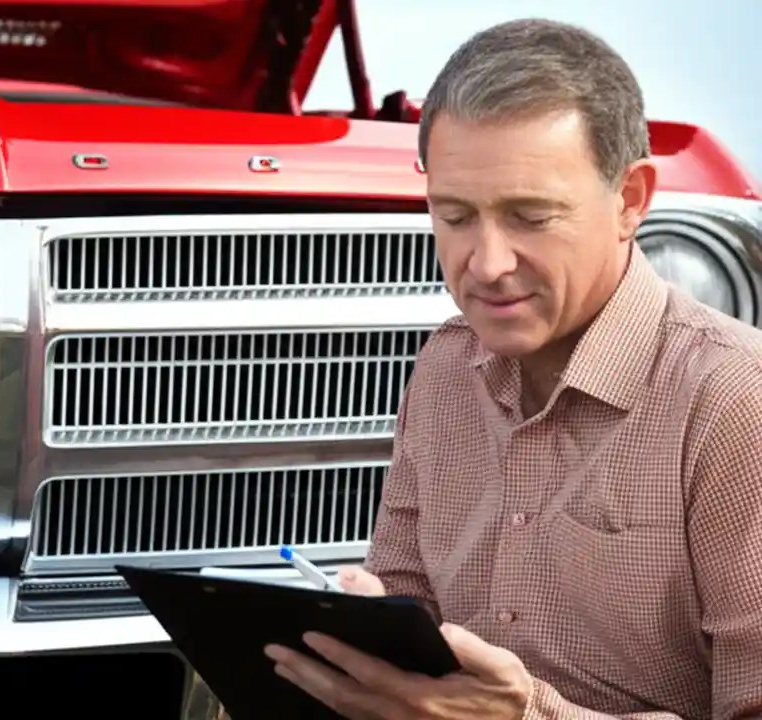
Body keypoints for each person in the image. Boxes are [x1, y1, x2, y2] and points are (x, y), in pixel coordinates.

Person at [264, 17, 762, 720]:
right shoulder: (443, 369)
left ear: (630, 200)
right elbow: (408, 600)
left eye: (530, 216)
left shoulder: (737, 401)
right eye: (455, 216)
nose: (487, 266)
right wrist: (367, 634)